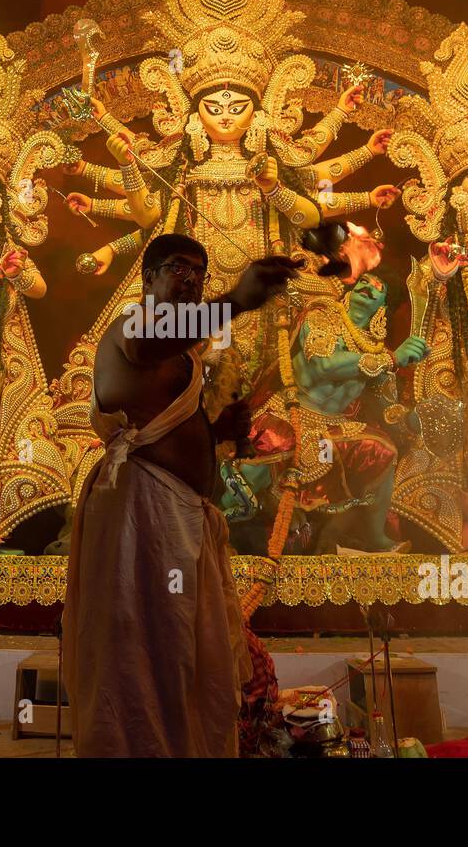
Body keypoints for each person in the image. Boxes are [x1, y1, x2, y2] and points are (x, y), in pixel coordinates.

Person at [63, 233, 302, 757]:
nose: (191, 279)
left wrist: (217, 430)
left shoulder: (184, 352)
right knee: (142, 649)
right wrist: (237, 300)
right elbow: (149, 347)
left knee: (183, 649)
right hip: (139, 511)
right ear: (146, 278)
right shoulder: (134, 325)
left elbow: (171, 424)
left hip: (180, 514)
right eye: (178, 268)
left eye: (200, 271)